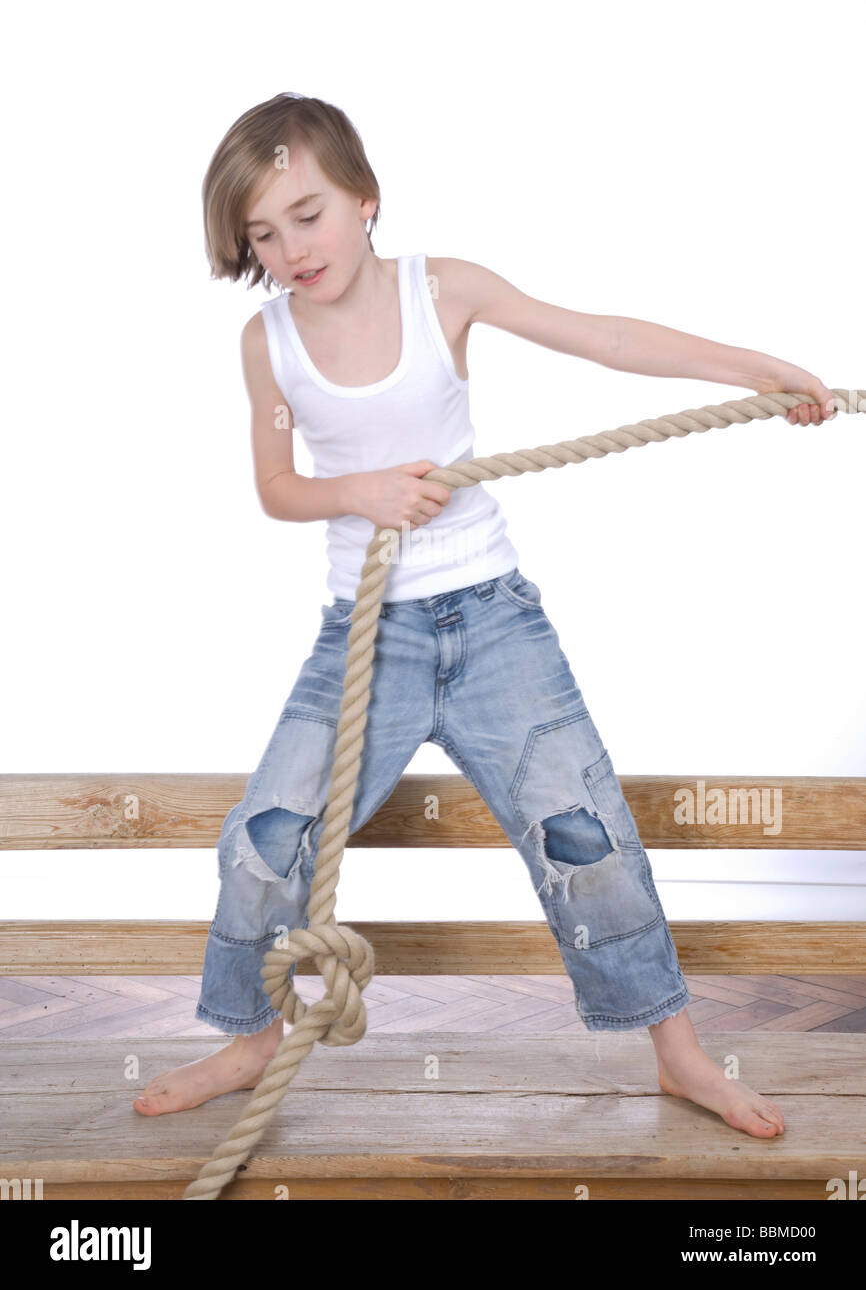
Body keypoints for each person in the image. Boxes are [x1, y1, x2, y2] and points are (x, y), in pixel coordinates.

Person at [134, 92, 835, 1130]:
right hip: (366, 636)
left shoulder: (442, 291)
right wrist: (358, 492)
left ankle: (677, 1052)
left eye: (308, 214)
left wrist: (757, 371)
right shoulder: (267, 342)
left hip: (491, 620)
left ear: (365, 200)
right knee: (263, 837)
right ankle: (247, 1041)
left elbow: (599, 336)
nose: (289, 248)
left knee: (584, 828)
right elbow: (277, 485)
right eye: (262, 234)